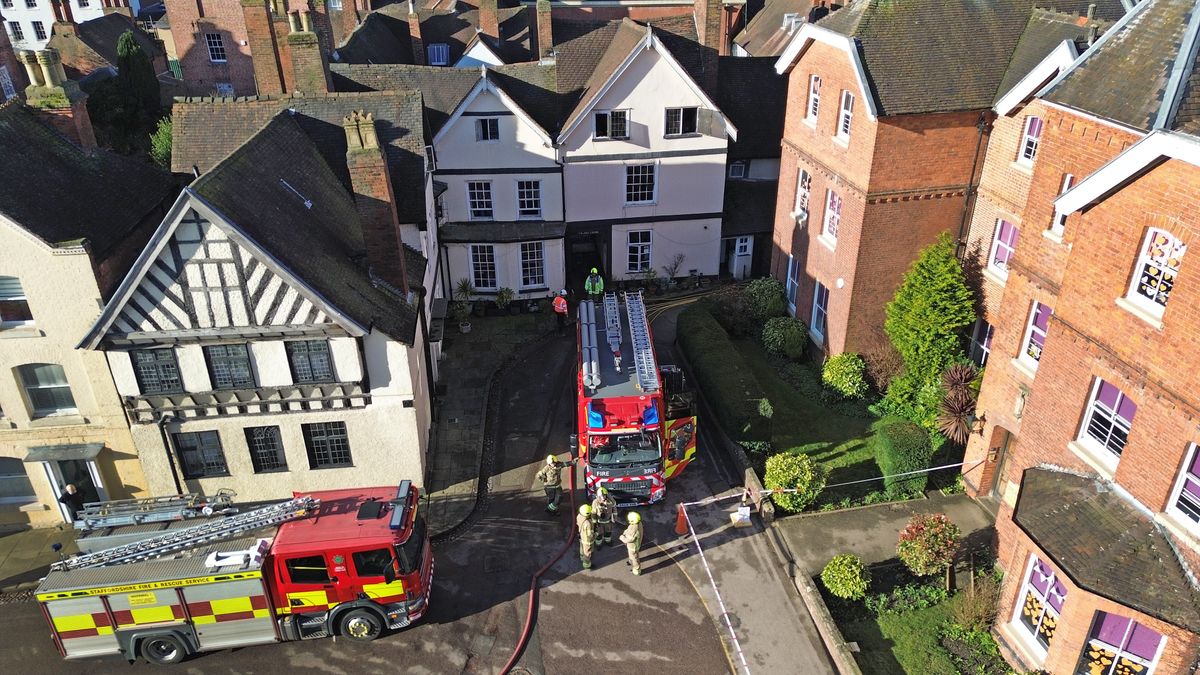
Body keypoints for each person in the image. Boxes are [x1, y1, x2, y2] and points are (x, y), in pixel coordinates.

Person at [619, 511, 643, 575]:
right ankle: (631, 560)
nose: (629, 521)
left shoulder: (634, 529)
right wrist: (625, 532)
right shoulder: (638, 523)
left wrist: (622, 538)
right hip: (634, 546)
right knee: (632, 556)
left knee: (635, 558)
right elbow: (629, 529)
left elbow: (630, 539)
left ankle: (636, 570)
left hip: (633, 547)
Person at [577, 504, 596, 570]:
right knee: (587, 553)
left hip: (581, 536)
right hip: (587, 541)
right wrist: (595, 534)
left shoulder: (579, 516)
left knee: (582, 548)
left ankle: (582, 557)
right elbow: (590, 535)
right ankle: (587, 565)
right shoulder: (588, 523)